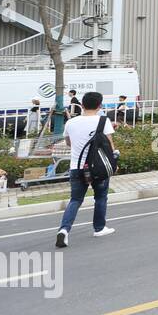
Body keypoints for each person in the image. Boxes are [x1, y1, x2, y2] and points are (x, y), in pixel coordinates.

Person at [54, 91, 116, 248]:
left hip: (77, 168)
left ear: (82, 105)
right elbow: (109, 146)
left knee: (75, 200)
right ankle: (99, 228)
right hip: (98, 168)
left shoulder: (71, 123)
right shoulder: (104, 121)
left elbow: (68, 143)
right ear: (100, 106)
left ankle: (64, 231)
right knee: (101, 197)